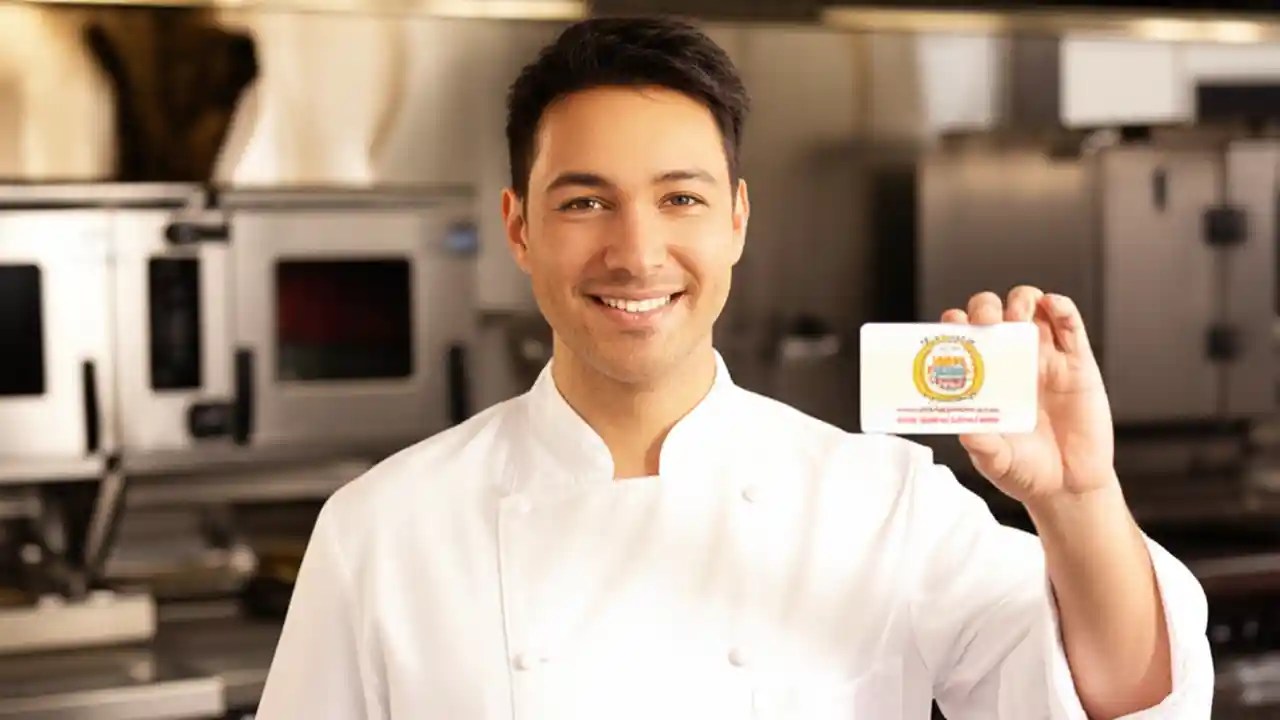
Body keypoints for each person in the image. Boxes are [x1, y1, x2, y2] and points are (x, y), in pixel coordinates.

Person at [256, 16, 1212, 720]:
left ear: (739, 220)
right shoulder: (382, 533)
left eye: (680, 198)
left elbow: (1123, 702)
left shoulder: (877, 502)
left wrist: (1079, 496)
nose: (637, 253)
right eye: (586, 203)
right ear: (518, 227)